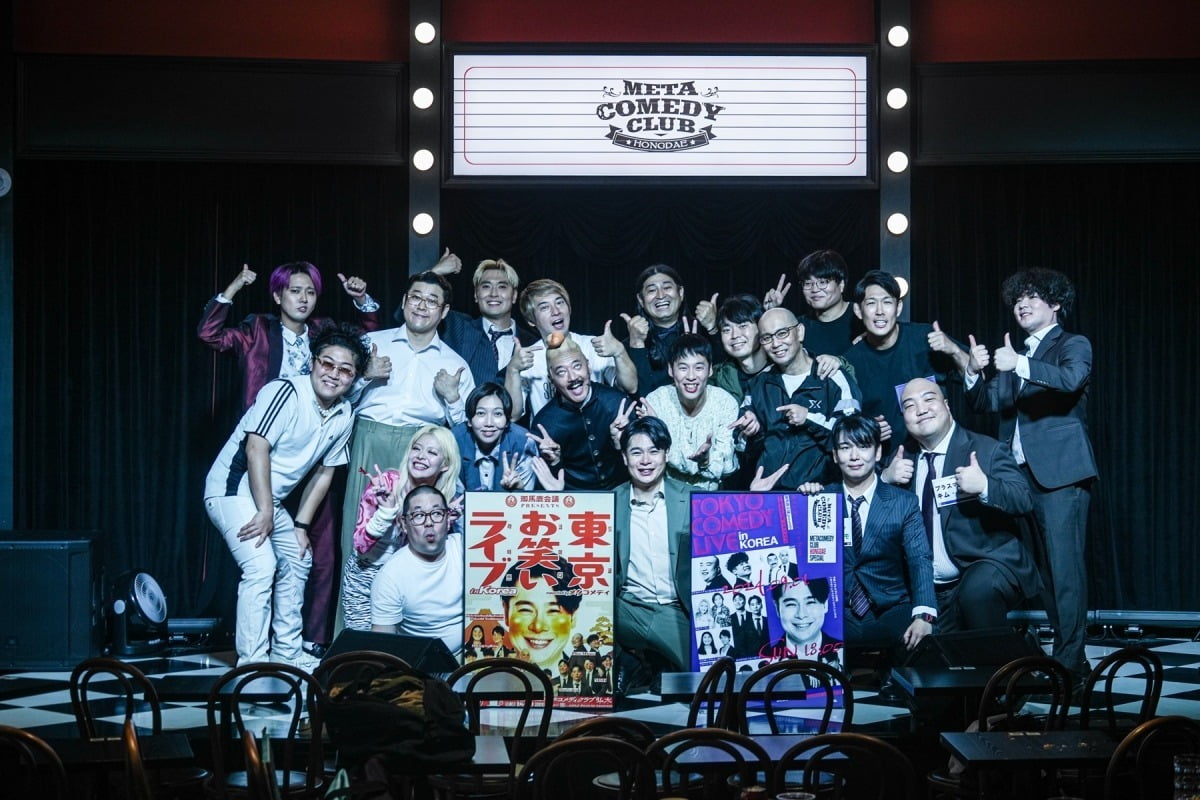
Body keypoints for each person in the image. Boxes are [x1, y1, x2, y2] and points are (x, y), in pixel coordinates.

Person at [197, 261, 380, 660]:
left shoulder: (343, 413)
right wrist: (265, 511)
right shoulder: (284, 390)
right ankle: (252, 663)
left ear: (354, 377)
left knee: (299, 558)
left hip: (270, 500)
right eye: (327, 365)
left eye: (345, 370)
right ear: (313, 362)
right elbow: (256, 449)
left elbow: (325, 472)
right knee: (261, 567)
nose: (334, 375)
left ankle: (287, 653)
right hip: (232, 489)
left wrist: (299, 526)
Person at [965, 268, 1097, 679]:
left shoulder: (1071, 344)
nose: (1021, 305)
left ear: (1055, 304)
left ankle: (1068, 665)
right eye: (1017, 300)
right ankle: (1073, 660)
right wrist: (972, 371)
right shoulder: (1014, 356)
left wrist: (1019, 363)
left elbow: (1071, 380)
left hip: (1061, 476)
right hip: (1019, 478)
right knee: (1044, 574)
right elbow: (987, 403)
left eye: (1032, 297)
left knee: (1066, 572)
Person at [339, 270, 475, 631]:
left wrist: (453, 397)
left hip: (421, 449)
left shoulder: (455, 363)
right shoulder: (372, 342)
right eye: (416, 297)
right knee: (360, 538)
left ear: (444, 312)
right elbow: (337, 399)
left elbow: (465, 429)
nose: (422, 306)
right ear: (404, 302)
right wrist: (365, 375)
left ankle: (405, 634)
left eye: (432, 301)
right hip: (370, 439)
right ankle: (350, 637)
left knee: (413, 538)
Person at [882, 378, 1041, 633]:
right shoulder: (901, 460)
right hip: (929, 588)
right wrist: (885, 480)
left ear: (947, 405)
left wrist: (985, 485)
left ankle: (1007, 658)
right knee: (920, 647)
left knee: (977, 592)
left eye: (929, 399)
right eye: (910, 406)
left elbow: (1024, 499)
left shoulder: (985, 449)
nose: (921, 410)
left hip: (986, 566)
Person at [805, 414, 936, 653]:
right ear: (835, 455)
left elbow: (920, 560)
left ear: (877, 453)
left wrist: (924, 615)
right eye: (845, 448)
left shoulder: (904, 502)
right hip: (835, 611)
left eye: (863, 446)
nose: (854, 456)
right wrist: (798, 501)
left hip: (891, 609)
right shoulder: (819, 500)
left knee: (922, 650)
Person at [342, 425, 463, 631]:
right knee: (363, 646)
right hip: (366, 575)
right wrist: (386, 512)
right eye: (416, 448)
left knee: (400, 646)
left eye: (432, 452)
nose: (421, 456)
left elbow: (427, 552)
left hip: (407, 580)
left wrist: (446, 522)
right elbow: (360, 546)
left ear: (445, 465)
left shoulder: (443, 500)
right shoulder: (386, 484)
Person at [843, 270, 974, 458]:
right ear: (858, 310)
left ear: (898, 308)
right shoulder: (850, 362)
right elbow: (845, 425)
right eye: (871, 303)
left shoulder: (924, 337)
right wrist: (867, 428)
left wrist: (954, 350)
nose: (880, 311)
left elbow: (977, 379)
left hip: (940, 453)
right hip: (887, 462)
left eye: (887, 302)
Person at [612, 416, 693, 679]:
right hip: (627, 607)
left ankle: (646, 663)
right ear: (624, 457)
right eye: (636, 452)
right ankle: (632, 660)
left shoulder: (691, 498)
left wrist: (755, 497)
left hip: (676, 608)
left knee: (708, 676)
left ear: (666, 454)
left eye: (653, 451)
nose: (645, 460)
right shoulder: (610, 502)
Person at [745, 306, 862, 489]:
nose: (775, 344)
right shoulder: (759, 384)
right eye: (767, 338)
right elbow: (743, 446)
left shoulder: (833, 378)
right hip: (770, 493)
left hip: (820, 492)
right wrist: (749, 430)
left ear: (799, 332)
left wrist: (809, 418)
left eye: (782, 333)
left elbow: (853, 437)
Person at [505, 278, 638, 421]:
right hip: (549, 432)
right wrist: (513, 370)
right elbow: (513, 415)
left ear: (569, 308)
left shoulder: (593, 345)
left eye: (559, 302)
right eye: (544, 307)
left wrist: (619, 352)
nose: (556, 311)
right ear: (531, 320)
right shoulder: (527, 359)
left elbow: (630, 387)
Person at [370, 486, 465, 657]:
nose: (429, 522)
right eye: (419, 515)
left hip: (473, 654)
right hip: (421, 663)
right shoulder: (390, 577)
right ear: (404, 524)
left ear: (447, 519)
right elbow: (382, 647)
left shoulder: (467, 549)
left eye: (437, 513)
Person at [528, 336, 630, 490]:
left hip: (621, 492)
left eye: (577, 366)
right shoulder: (545, 424)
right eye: (561, 372)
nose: (572, 377)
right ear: (552, 380)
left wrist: (621, 444)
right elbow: (548, 485)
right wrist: (554, 462)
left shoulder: (616, 403)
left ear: (588, 366)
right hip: (574, 499)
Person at [640, 334, 740, 490]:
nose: (691, 376)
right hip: (665, 493)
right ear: (671, 370)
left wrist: (704, 461)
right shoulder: (656, 402)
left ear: (710, 370)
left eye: (699, 368)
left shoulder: (725, 404)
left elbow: (727, 467)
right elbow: (650, 461)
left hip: (710, 496)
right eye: (683, 368)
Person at [438, 256, 540, 386]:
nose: (493, 293)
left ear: (514, 296)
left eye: (502, 287)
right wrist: (436, 272)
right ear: (476, 295)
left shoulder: (533, 343)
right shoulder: (458, 327)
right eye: (486, 286)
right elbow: (417, 311)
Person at [620, 264, 717, 393]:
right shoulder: (630, 345)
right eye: (651, 290)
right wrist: (637, 344)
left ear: (680, 293)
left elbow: (723, 377)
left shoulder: (701, 331)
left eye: (667, 288)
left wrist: (712, 329)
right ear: (641, 300)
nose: (660, 295)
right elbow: (640, 395)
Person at [499, 556, 583, 673]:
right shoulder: (492, 674)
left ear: (573, 617)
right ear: (506, 611)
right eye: (525, 610)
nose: (538, 626)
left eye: (553, 611)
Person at [452, 382, 540, 491]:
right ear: (469, 420)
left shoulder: (523, 441)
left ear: (507, 421)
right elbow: (453, 495)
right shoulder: (454, 441)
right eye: (481, 413)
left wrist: (517, 490)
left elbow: (527, 495)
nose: (489, 423)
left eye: (497, 414)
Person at [769, 578, 844, 671]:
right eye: (791, 604)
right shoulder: (765, 656)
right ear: (777, 608)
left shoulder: (842, 649)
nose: (801, 615)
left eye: (810, 602)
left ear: (825, 605)